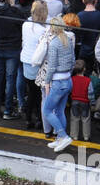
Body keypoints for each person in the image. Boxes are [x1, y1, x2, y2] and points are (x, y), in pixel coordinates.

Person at [33, 17, 77, 153]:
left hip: (57, 82)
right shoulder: (69, 40)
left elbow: (51, 66)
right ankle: (59, 138)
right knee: (59, 111)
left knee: (47, 110)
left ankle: (63, 136)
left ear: (52, 28)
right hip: (68, 80)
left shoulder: (53, 43)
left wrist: (47, 82)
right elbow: (73, 60)